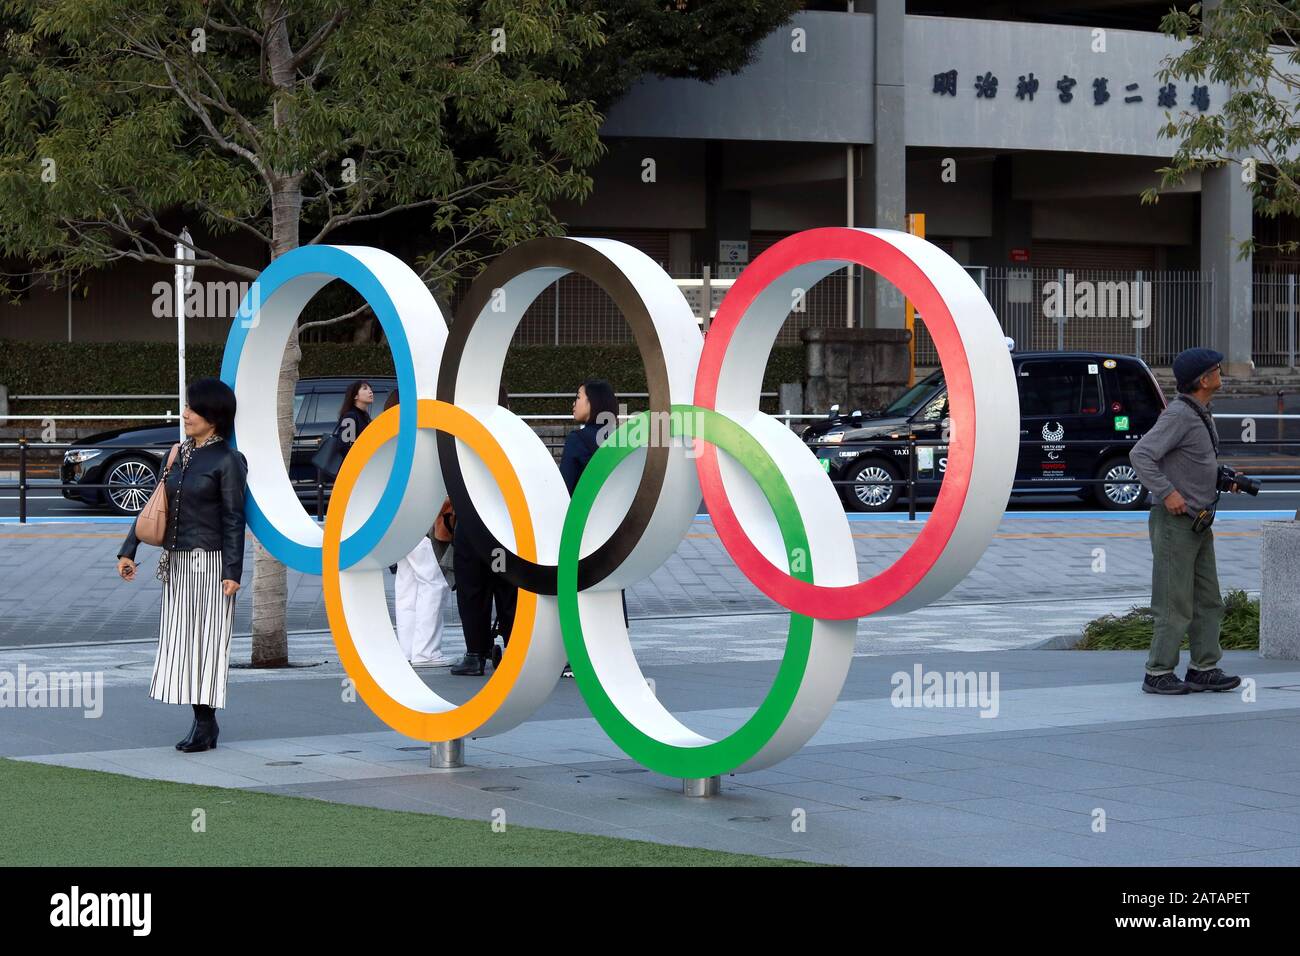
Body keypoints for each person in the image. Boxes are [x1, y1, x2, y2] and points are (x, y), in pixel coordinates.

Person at [115, 378, 248, 752]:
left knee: (207, 643)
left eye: (193, 409)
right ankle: (203, 722)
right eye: (187, 407)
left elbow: (234, 518)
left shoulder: (228, 461)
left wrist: (233, 572)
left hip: (210, 565)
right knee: (182, 642)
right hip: (176, 564)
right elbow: (155, 506)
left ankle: (205, 724)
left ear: (215, 417)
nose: (185, 414)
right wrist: (129, 550)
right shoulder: (176, 455)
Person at [1129, 348, 1244, 696]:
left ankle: (1203, 668)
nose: (1221, 372)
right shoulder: (1180, 414)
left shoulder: (1200, 411)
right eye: (1216, 369)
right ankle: (1158, 672)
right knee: (1173, 601)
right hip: (1175, 522)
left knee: (1209, 599)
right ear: (1203, 379)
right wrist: (1167, 493)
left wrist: (1219, 480)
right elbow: (1140, 455)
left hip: (1198, 521)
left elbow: (1189, 460)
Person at [557, 379, 623, 679]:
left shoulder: (578, 441)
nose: (574, 402)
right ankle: (612, 651)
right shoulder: (619, 439)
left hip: (583, 530)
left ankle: (578, 658)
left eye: (578, 396)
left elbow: (566, 489)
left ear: (592, 403)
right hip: (613, 528)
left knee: (580, 589)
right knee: (610, 584)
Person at [450, 385, 517, 677]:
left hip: (471, 519)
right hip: (506, 524)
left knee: (472, 590)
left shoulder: (463, 432)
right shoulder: (514, 432)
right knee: (509, 588)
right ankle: (516, 650)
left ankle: (475, 653)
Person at [383, 389, 452, 667]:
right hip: (417, 521)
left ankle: (408, 650)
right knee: (433, 583)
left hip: (395, 522)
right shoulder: (418, 439)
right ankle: (426, 651)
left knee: (407, 584)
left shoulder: (388, 438)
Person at [336, 380, 374, 456]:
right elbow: (344, 446)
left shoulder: (364, 416)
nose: (370, 392)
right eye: (365, 389)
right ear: (355, 396)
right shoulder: (350, 416)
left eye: (370, 389)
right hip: (354, 464)